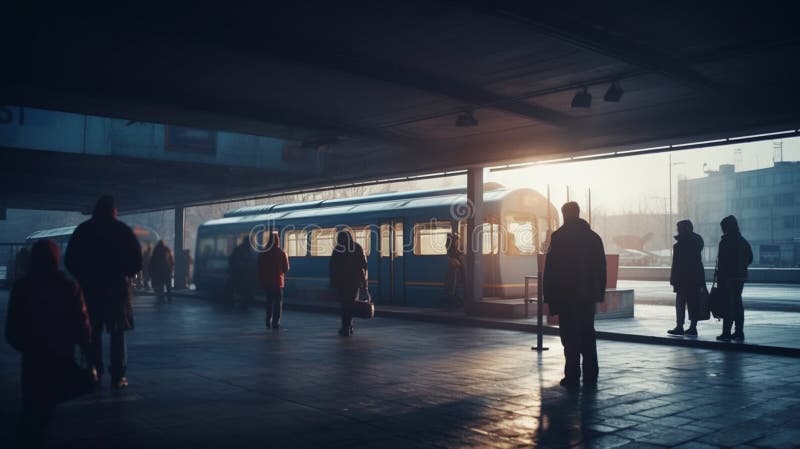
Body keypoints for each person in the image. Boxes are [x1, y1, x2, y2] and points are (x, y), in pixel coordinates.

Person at [5, 239, 92, 443]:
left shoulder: (22, 287)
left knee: (32, 403)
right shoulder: (68, 286)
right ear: (56, 258)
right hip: (61, 353)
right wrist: (88, 351)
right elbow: (81, 324)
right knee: (50, 400)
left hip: (32, 357)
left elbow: (12, 329)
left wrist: (27, 346)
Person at [64, 195, 142, 390]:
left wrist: (84, 277)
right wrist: (125, 274)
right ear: (114, 210)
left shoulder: (83, 230)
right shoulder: (122, 231)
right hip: (117, 290)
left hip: (91, 290)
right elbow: (137, 261)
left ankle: (95, 370)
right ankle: (118, 375)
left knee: (93, 332)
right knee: (118, 333)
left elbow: (70, 260)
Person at [543, 202, 606, 389]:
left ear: (564, 214)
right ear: (578, 214)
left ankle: (572, 376)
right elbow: (601, 268)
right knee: (588, 335)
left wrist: (550, 297)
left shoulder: (558, 237)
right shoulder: (594, 238)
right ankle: (591, 376)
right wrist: (598, 294)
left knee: (569, 338)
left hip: (566, 297)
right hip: (587, 298)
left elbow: (551, 269)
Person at [715, 215, 753, 342]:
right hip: (740, 277)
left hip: (728, 278)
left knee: (727, 305)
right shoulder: (743, 241)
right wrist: (741, 267)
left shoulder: (725, 241)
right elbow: (750, 258)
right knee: (737, 304)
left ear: (726, 227)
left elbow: (722, 263)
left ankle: (726, 332)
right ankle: (739, 331)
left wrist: (721, 278)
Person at [668, 220, 706, 336]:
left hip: (682, 279)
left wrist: (673, 279)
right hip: (695, 279)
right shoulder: (696, 242)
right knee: (693, 303)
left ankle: (680, 326)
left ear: (686, 229)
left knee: (680, 303)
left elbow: (677, 264)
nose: (677, 230)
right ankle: (692, 327)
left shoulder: (682, 244)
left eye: (679, 228)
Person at [329, 230, 367, 337]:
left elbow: (333, 267)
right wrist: (364, 282)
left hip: (341, 282)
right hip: (354, 282)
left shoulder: (338, 249)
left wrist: (333, 282)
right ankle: (349, 326)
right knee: (350, 303)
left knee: (344, 304)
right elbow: (363, 265)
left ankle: (346, 326)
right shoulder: (357, 247)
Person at [258, 232, 289, 330]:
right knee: (277, 303)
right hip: (277, 282)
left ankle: (268, 320)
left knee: (269, 302)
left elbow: (259, 267)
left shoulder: (263, 253)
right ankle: (276, 323)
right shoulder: (281, 253)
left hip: (267, 282)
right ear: (277, 241)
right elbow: (286, 268)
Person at [228, 237, 256, 308]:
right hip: (242, 273)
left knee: (243, 289)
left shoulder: (240, 249)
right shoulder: (245, 250)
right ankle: (243, 303)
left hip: (243, 273)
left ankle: (243, 302)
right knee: (244, 289)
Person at [444, 233, 464, 306]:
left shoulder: (451, 248)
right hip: (454, 270)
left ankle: (453, 300)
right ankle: (452, 302)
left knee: (453, 286)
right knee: (453, 286)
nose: (457, 242)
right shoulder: (452, 250)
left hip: (453, 270)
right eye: (456, 241)